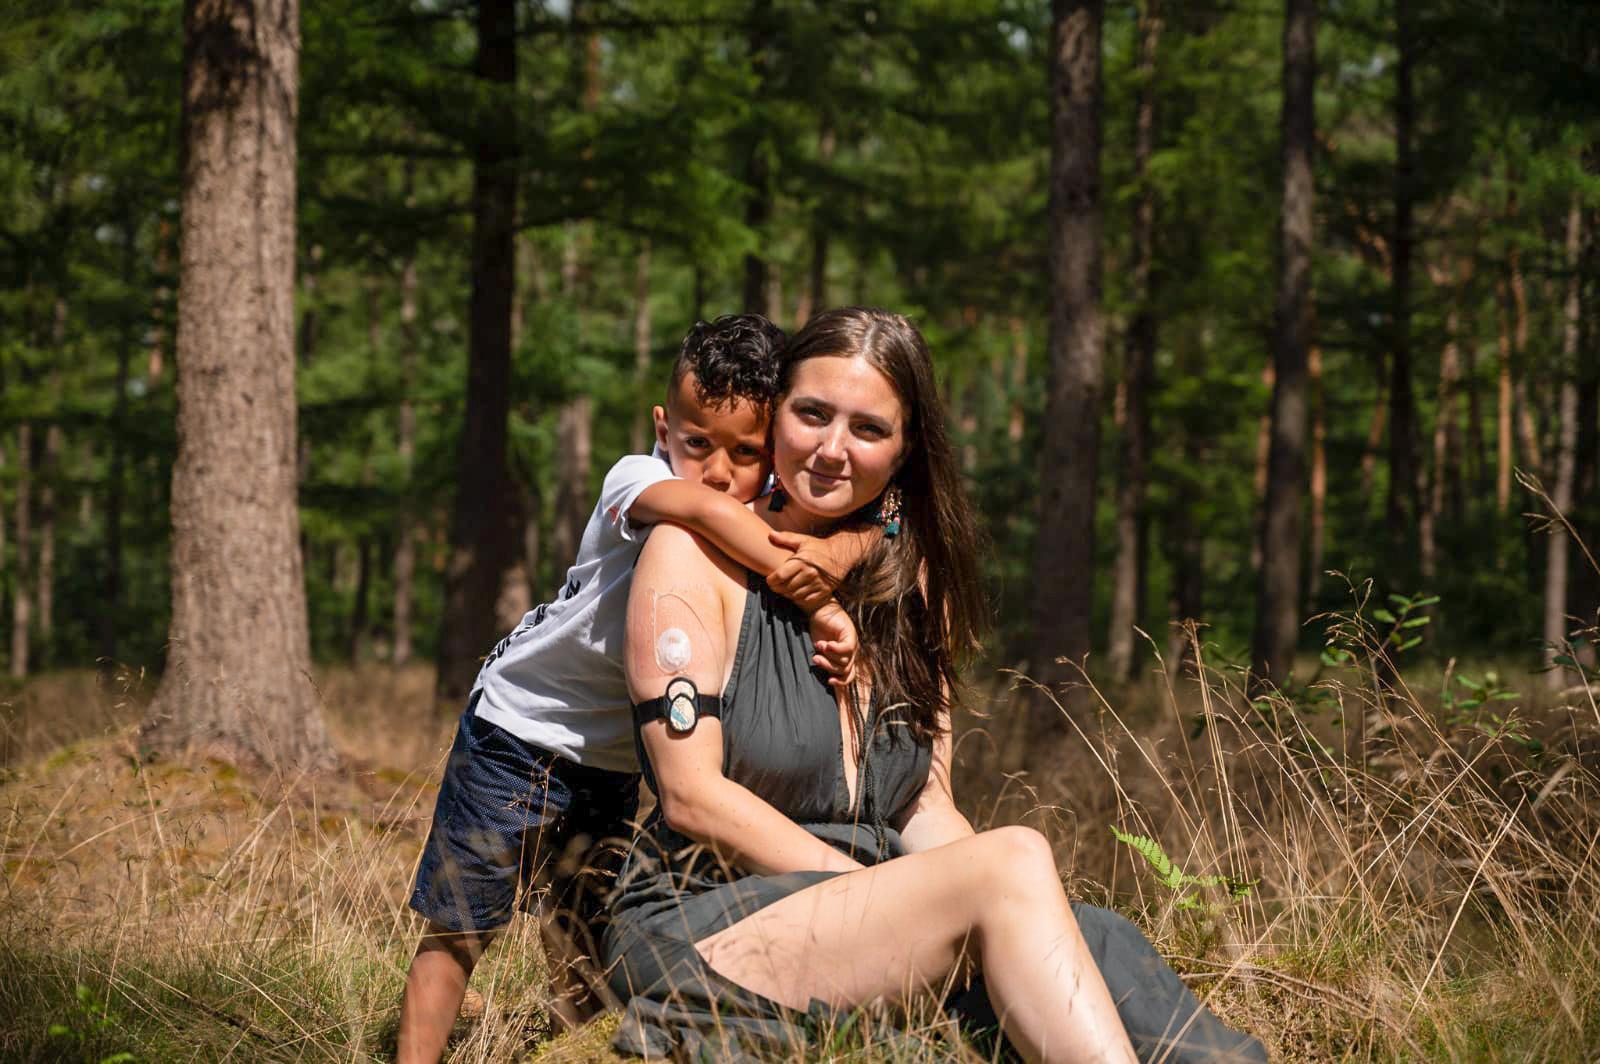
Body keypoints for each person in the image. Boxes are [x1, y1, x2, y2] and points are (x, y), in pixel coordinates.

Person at [604, 307, 1267, 1063]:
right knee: (1010, 865)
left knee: (1096, 935)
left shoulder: (916, 583)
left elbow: (923, 801)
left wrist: (971, 893)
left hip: (869, 910)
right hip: (704, 919)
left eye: (867, 429)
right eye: (811, 414)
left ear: (907, 447)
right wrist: (891, 889)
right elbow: (691, 798)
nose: (831, 449)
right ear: (776, 411)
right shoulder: (690, 553)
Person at [396, 314, 881, 1064]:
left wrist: (848, 548)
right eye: (697, 442)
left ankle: (564, 1049)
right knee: (463, 923)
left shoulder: (767, 509)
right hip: (522, 732)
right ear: (663, 426)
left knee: (583, 928)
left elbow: (880, 518)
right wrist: (822, 600)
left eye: (745, 452)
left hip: (617, 762)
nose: (716, 470)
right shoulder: (640, 480)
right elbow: (706, 511)